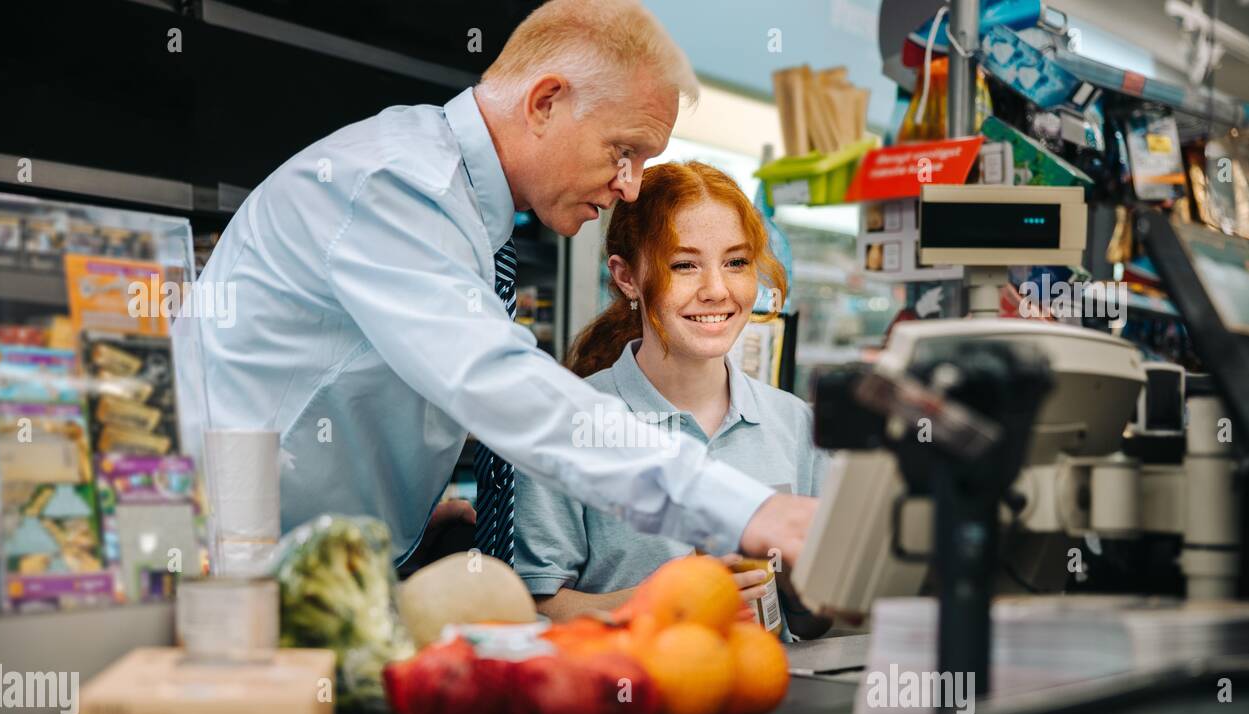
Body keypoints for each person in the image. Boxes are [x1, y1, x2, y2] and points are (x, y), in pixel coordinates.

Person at [173, 0, 816, 577]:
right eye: (625, 150)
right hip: (224, 579)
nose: (630, 185)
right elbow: (500, 387)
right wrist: (747, 511)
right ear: (545, 103)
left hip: (317, 569)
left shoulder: (466, 212)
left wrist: (401, 515)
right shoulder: (398, 185)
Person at [515, 162, 832, 639]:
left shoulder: (795, 424)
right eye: (683, 264)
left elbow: (817, 622)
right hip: (632, 701)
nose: (717, 290)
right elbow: (531, 613)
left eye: (737, 262)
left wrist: (802, 590)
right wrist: (665, 598)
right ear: (626, 278)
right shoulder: (567, 424)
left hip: (768, 699)